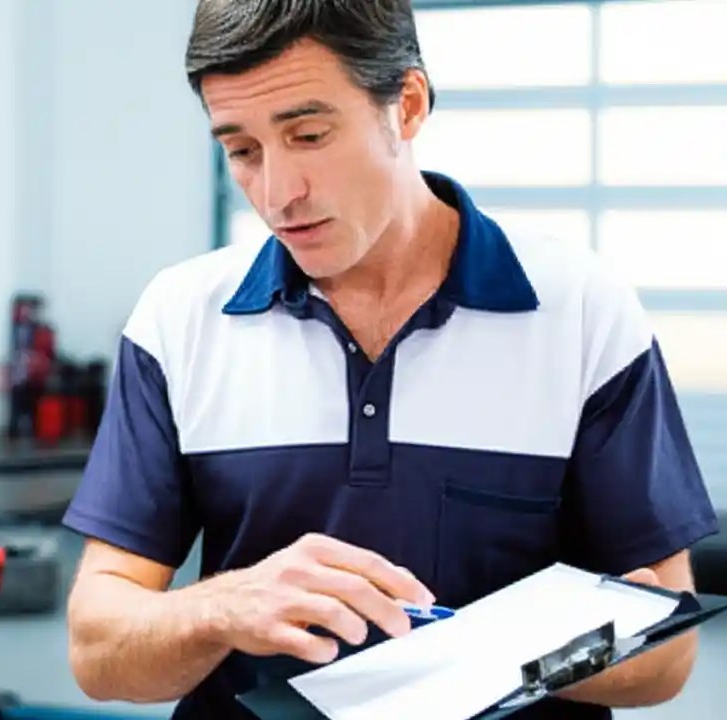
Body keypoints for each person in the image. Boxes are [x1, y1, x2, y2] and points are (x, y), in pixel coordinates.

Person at [62, 1, 719, 718]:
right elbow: (99, 652)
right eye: (242, 151)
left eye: (309, 135)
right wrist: (224, 605)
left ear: (406, 105)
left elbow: (664, 654)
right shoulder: (178, 317)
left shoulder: (582, 312)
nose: (278, 195)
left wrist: (464, 654)